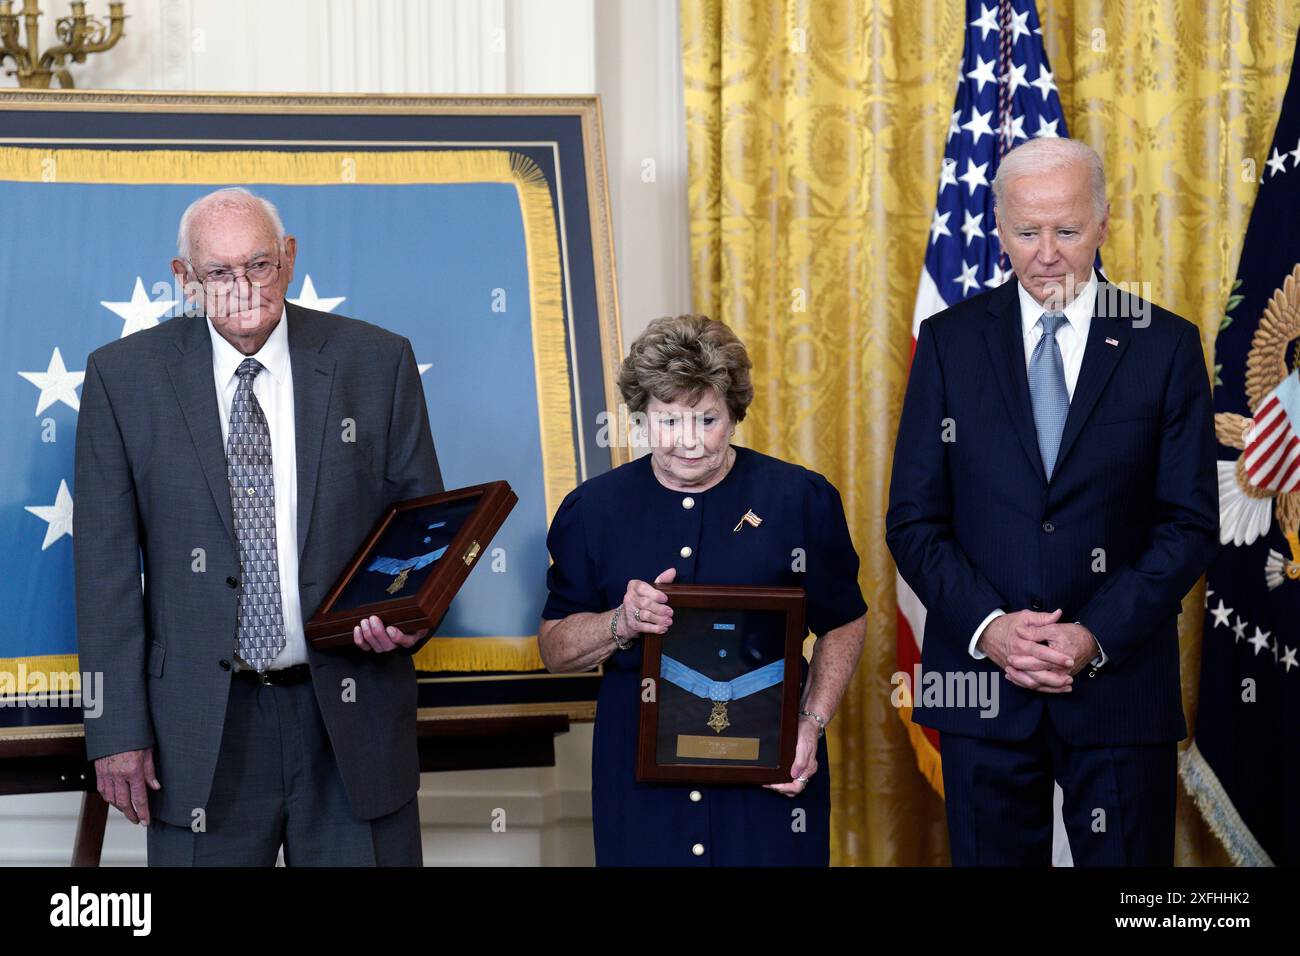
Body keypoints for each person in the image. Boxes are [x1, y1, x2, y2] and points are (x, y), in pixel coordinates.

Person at [74, 187, 442, 865]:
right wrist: (115, 730)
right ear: (184, 279)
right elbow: (104, 573)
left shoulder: (376, 363)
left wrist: (410, 613)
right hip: (198, 730)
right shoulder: (123, 379)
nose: (242, 288)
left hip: (351, 718)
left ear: (290, 259)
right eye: (218, 273)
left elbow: (420, 533)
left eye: (260, 265)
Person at [886, 138, 1217, 865]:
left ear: (1104, 221)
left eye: (1066, 230)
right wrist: (991, 628)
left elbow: (1188, 523)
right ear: (998, 229)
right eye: (1027, 232)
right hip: (981, 686)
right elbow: (913, 521)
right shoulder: (947, 344)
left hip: (1120, 690)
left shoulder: (1164, 345)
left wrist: (1092, 635)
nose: (1046, 255)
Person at [539, 314, 867, 865]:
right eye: (669, 422)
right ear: (642, 418)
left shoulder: (800, 500)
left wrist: (809, 724)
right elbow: (554, 648)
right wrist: (621, 621)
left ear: (735, 415)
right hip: (639, 781)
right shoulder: (593, 511)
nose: (688, 442)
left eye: (707, 419)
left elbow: (844, 621)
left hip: (770, 771)